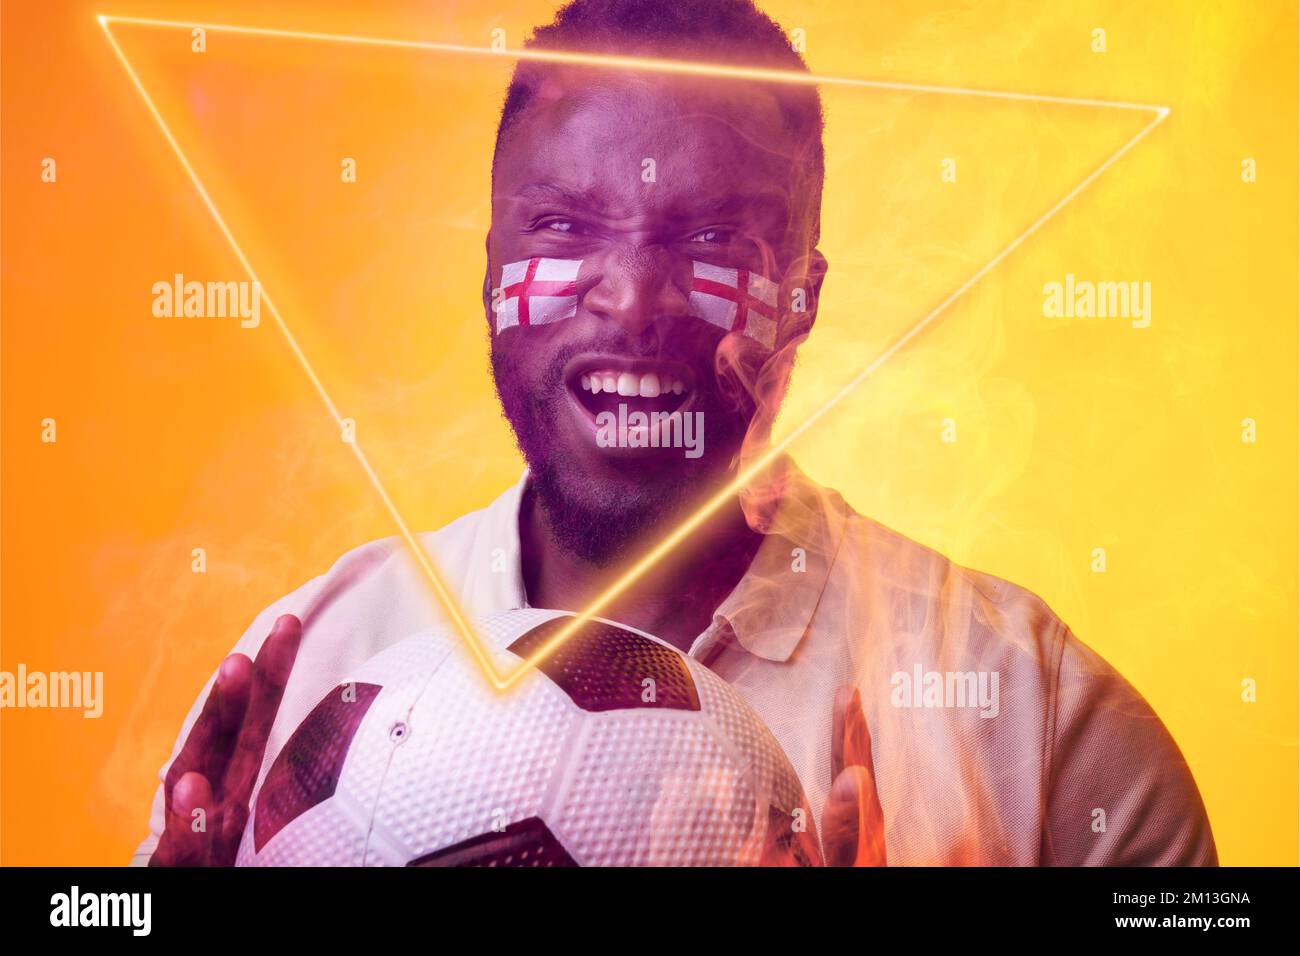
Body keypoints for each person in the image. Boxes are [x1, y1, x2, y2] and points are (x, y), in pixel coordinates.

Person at [135, 0, 1215, 867]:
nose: (632, 298)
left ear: (801, 298)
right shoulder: (305, 675)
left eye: (709, 236)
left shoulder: (1040, 728)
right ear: (487, 266)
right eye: (563, 226)